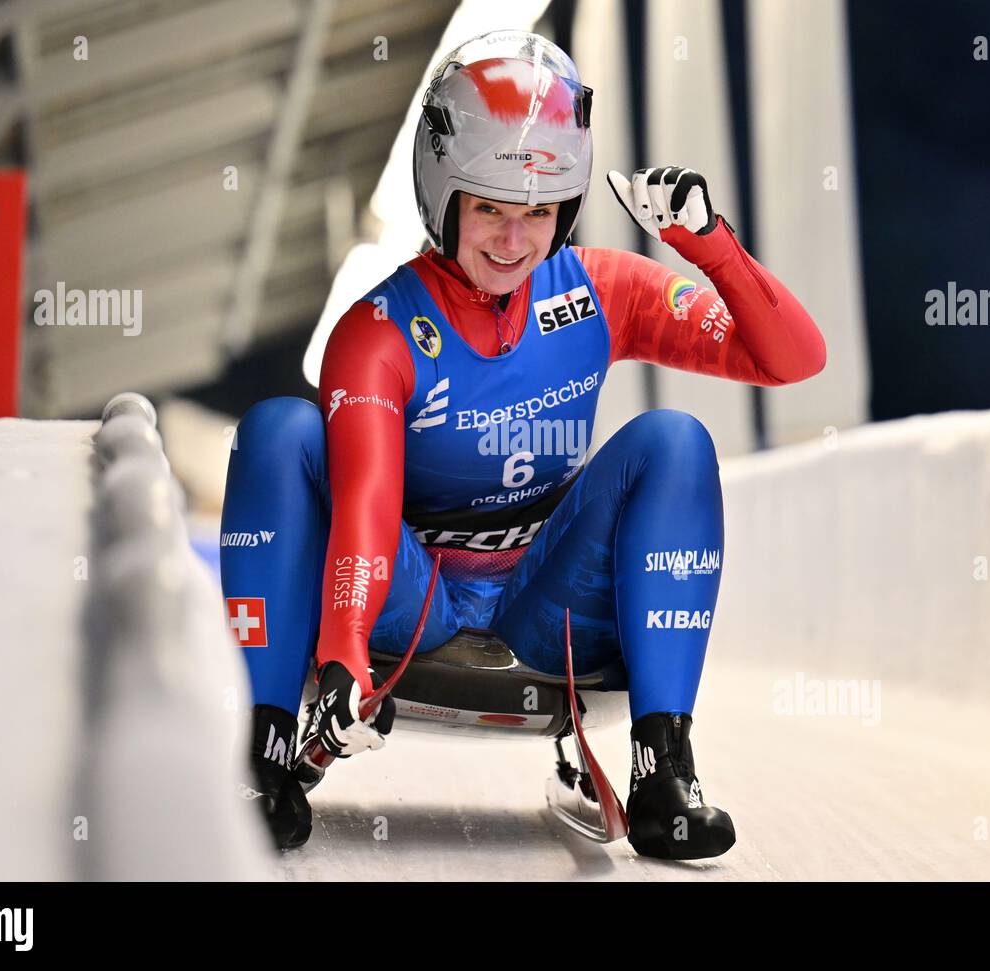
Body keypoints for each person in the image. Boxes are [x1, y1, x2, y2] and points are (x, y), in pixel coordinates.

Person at [222, 29, 825, 861]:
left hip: (545, 605)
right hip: (413, 600)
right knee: (278, 431)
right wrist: (344, 653)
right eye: (491, 211)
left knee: (675, 441)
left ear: (566, 208)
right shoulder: (376, 332)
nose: (513, 241)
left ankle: (665, 772)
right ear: (444, 200)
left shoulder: (600, 291)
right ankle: (267, 754)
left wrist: (709, 243)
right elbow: (363, 501)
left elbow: (793, 358)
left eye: (537, 213)